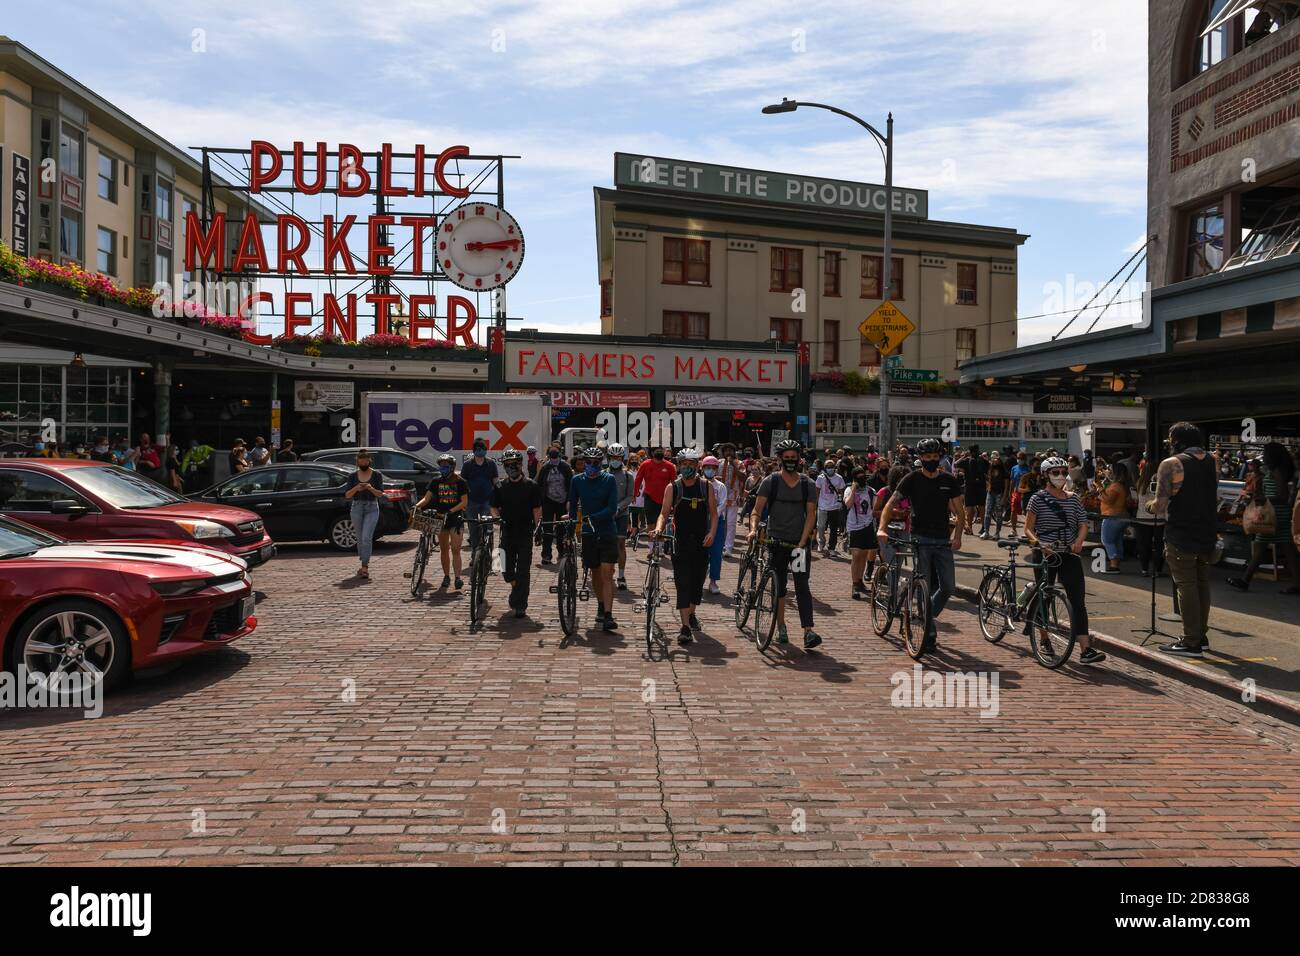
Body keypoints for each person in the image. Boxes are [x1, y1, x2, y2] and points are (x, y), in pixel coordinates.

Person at [877, 437, 964, 654]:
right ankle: (928, 630)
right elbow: (890, 504)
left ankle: (922, 618)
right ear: (920, 458)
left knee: (947, 587)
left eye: (935, 457)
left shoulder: (949, 480)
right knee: (924, 586)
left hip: (943, 539)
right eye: (927, 457)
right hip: (920, 538)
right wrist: (882, 528)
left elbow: (959, 512)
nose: (932, 460)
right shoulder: (911, 479)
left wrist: (958, 536)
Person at [1024, 456, 1106, 665]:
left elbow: (1083, 523)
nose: (1060, 476)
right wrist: (1039, 544)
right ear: (1046, 476)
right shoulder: (1038, 498)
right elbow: (1028, 528)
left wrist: (1079, 542)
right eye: (1055, 473)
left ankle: (1085, 649)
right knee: (1046, 595)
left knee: (1077, 600)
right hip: (1046, 553)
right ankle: (1043, 639)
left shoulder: (1073, 498)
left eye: (1063, 472)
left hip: (1068, 552)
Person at [1152, 422, 1219, 658]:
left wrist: (1150, 505)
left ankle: (1190, 641)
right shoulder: (1212, 460)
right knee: (1202, 583)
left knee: (1186, 586)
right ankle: (1201, 636)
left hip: (1181, 532)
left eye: (1170, 440)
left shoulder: (1171, 464)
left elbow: (1160, 505)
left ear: (1177, 441)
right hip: (1207, 531)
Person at [751, 439, 821, 650]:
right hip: (776, 541)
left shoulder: (807, 483)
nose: (790, 461)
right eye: (786, 458)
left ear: (799, 459)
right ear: (780, 459)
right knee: (779, 585)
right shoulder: (770, 482)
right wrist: (754, 529)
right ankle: (780, 625)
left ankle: (808, 630)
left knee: (801, 585)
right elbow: (756, 510)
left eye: (794, 458)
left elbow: (811, 514)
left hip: (798, 545)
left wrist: (802, 542)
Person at [657, 448, 717, 645]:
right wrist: (658, 529)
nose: (687, 467)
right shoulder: (673, 487)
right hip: (680, 542)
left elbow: (714, 514)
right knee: (683, 583)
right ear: (679, 465)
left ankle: (691, 614)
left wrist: (712, 534)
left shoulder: (705, 486)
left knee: (697, 584)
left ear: (697, 465)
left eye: (691, 464)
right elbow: (664, 513)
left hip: (701, 542)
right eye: (684, 464)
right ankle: (684, 627)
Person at [1227, 441, 1299, 594]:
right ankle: (1297, 583)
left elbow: (1282, 495)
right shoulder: (1278, 470)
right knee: (1288, 547)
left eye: (1266, 454)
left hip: (1274, 514)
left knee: (1260, 545)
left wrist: (1264, 500)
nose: (1264, 458)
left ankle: (1245, 580)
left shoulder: (1276, 472)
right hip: (1279, 512)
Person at [570, 446, 620, 632]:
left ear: (601, 463)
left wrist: (593, 517)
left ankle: (608, 614)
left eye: (595, 463)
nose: (591, 465)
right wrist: (574, 523)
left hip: (607, 530)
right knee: (595, 572)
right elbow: (573, 505)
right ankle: (600, 603)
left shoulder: (609, 479)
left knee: (608, 573)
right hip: (588, 533)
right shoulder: (577, 480)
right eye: (588, 462)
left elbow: (612, 508)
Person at [492, 449, 542, 618]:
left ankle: (520, 604)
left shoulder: (531, 486)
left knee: (523, 570)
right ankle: (514, 585)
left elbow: (536, 509)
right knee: (501, 564)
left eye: (514, 464)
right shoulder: (500, 486)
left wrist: (538, 529)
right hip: (507, 530)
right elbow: (493, 506)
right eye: (508, 465)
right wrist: (496, 517)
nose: (511, 468)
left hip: (525, 532)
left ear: (521, 465)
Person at [415, 453, 469, 589]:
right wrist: (416, 506)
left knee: (455, 549)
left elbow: (464, 502)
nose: (443, 468)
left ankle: (457, 577)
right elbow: (427, 498)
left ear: (452, 467)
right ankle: (446, 576)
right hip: (440, 519)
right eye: (441, 466)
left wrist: (451, 511)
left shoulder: (460, 482)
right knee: (444, 549)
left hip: (455, 518)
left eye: (446, 466)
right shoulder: (435, 481)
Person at [342, 448, 385, 579]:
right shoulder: (353, 476)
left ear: (369, 461)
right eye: (361, 460)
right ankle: (363, 561)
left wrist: (371, 488)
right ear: (358, 461)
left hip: (372, 507)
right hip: (357, 507)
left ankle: (365, 566)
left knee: (367, 537)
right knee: (360, 538)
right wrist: (357, 487)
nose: (363, 462)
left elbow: (380, 494)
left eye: (365, 460)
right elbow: (347, 495)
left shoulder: (377, 475)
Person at [844, 466, 877, 600]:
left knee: (863, 555)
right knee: (856, 554)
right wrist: (853, 489)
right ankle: (854, 584)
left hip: (868, 525)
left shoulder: (871, 491)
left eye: (862, 474)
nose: (861, 477)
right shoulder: (848, 490)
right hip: (854, 526)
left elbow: (874, 508)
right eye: (857, 475)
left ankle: (860, 581)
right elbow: (848, 505)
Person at [460, 439, 499, 553]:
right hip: (472, 501)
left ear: (486, 451)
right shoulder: (468, 464)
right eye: (478, 449)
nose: (480, 451)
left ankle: (487, 553)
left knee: (488, 527)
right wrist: (463, 499)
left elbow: (495, 480)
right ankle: (475, 553)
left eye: (483, 449)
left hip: (487, 501)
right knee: (473, 529)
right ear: (474, 451)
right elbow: (463, 481)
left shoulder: (491, 463)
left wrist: (501, 492)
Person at [536, 444, 573, 565]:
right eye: (552, 457)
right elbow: (539, 483)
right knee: (547, 528)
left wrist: (569, 500)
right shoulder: (545, 467)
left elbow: (571, 485)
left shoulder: (565, 467)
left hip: (562, 502)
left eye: (556, 457)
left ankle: (562, 552)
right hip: (548, 501)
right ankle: (546, 554)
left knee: (561, 528)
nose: (554, 460)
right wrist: (540, 502)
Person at [605, 443, 635, 590]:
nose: (615, 460)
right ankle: (608, 571)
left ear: (622, 458)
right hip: (606, 514)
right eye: (612, 457)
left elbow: (630, 496)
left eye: (618, 457)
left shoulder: (628, 476)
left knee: (621, 544)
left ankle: (621, 576)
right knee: (606, 544)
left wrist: (619, 507)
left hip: (621, 514)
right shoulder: (603, 474)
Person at [1132, 458, 1165, 578]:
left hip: (1142, 518)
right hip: (1159, 518)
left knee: (1143, 545)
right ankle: (1157, 570)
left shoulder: (1141, 481)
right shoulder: (1160, 480)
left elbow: (1137, 497)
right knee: (1158, 545)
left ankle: (1144, 568)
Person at [1099, 461, 1134, 574]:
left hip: (1112, 516)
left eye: (1110, 469)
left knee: (1107, 540)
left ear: (1115, 473)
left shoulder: (1115, 486)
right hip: (1120, 516)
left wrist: (1100, 491)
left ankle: (1114, 565)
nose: (1107, 471)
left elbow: (1108, 500)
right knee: (1117, 540)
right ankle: (1116, 563)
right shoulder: (1121, 485)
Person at [633, 446, 676, 530]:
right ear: (652, 453)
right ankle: (651, 543)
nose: (659, 452)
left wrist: (674, 499)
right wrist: (634, 494)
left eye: (661, 451)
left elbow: (675, 483)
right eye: (657, 451)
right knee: (650, 523)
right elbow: (638, 480)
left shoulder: (670, 466)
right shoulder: (645, 464)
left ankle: (660, 543)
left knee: (661, 522)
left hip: (665, 499)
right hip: (649, 498)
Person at [702, 455, 728, 594]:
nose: (710, 470)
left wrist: (713, 515)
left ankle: (713, 582)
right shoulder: (699, 484)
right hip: (701, 522)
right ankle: (699, 578)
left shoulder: (721, 486)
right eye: (707, 467)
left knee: (716, 552)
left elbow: (723, 504)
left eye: (713, 468)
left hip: (717, 522)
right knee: (701, 552)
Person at [815, 460, 845, 558]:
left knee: (833, 528)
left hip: (834, 506)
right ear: (825, 467)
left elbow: (841, 491)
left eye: (832, 466)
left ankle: (832, 547)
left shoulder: (839, 478)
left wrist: (841, 501)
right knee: (820, 526)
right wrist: (815, 503)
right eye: (828, 466)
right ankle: (821, 542)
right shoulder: (820, 478)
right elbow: (817, 491)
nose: (830, 468)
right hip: (822, 505)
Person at [981, 451, 1010, 540]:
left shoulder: (1004, 472)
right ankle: (986, 532)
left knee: (999, 514)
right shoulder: (991, 470)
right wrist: (988, 487)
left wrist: (1004, 497)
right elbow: (989, 480)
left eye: (996, 460)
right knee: (987, 512)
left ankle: (997, 533)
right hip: (990, 493)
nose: (994, 462)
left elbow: (1006, 486)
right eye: (993, 460)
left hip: (1000, 494)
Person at [961, 444, 986, 534]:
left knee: (970, 509)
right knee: (981, 508)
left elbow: (956, 464)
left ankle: (970, 528)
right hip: (980, 486)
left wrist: (964, 456)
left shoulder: (967, 460)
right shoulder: (982, 460)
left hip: (971, 487)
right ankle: (983, 528)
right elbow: (988, 468)